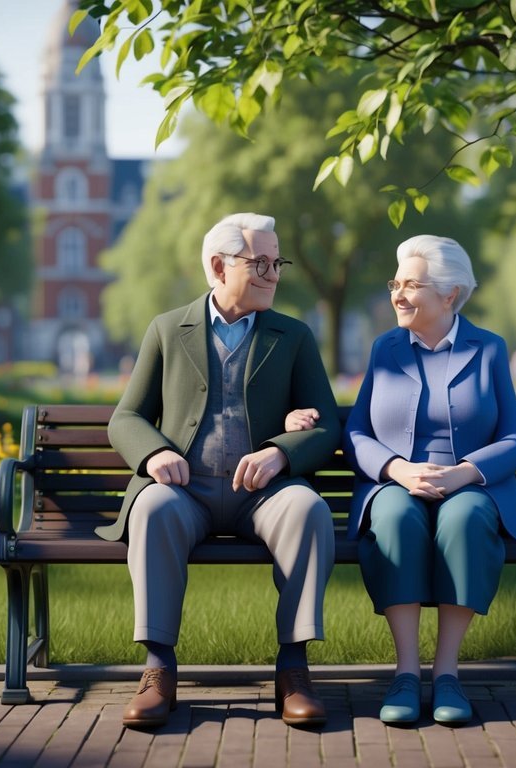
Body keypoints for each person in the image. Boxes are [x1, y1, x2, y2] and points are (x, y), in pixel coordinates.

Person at [103, 212, 341, 729]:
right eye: (260, 262)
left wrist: (282, 450)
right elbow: (126, 417)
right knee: (152, 508)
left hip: (267, 496)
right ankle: (158, 668)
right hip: (186, 492)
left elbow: (327, 426)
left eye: (277, 262)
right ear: (217, 266)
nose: (273, 273)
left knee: (308, 509)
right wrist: (152, 454)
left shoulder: (294, 336)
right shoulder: (168, 329)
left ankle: (294, 670)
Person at [344, 235, 516, 727]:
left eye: (412, 285)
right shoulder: (384, 348)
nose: (398, 294)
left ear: (450, 294)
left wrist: (464, 473)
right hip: (397, 484)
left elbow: (514, 439)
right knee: (392, 516)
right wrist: (397, 469)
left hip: (471, 486)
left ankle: (448, 673)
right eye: (396, 283)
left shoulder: (489, 349)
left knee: (466, 518)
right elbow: (356, 431)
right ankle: (406, 673)